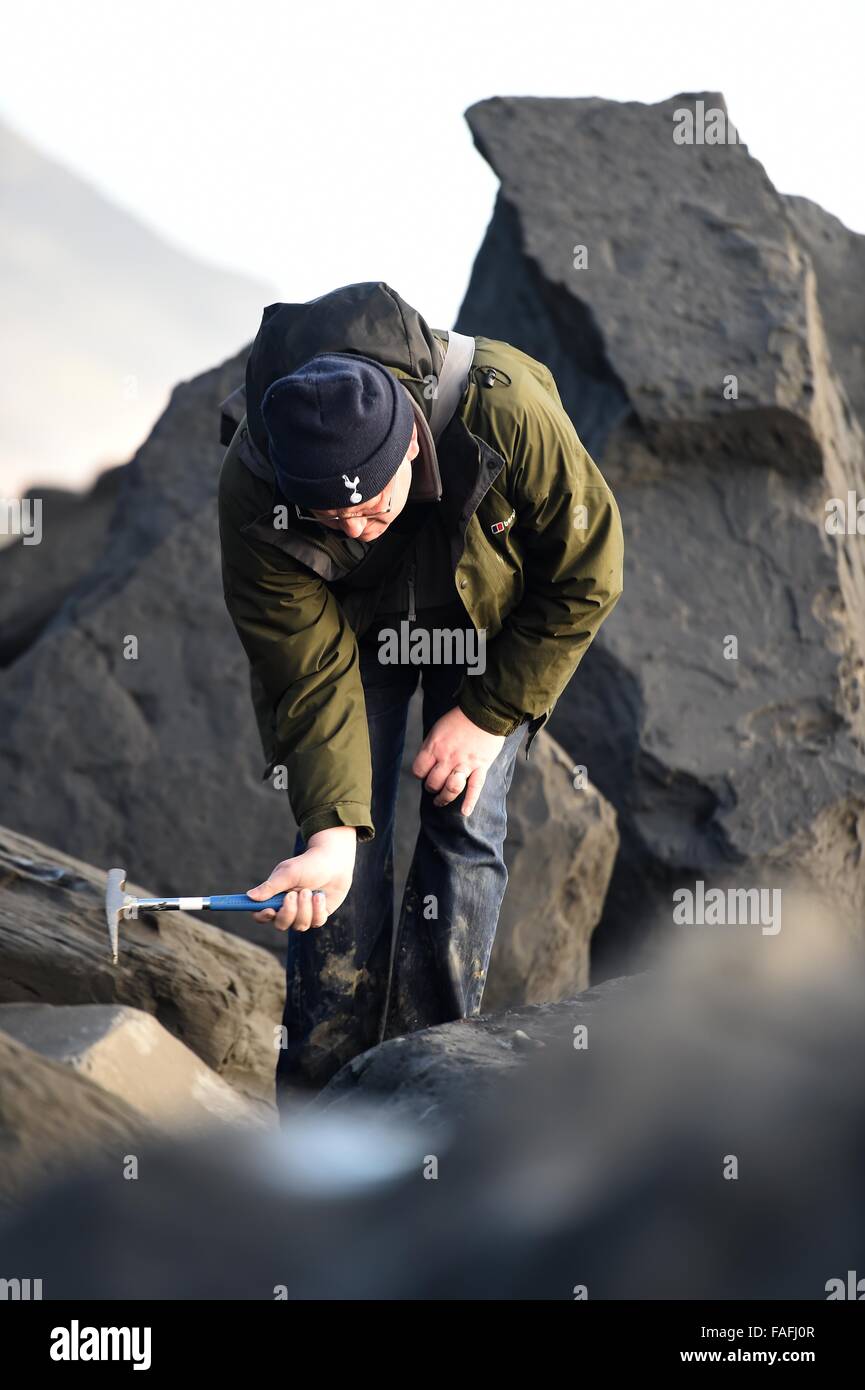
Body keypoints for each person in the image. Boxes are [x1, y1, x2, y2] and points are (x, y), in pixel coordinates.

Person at [217, 280, 623, 1097]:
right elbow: (302, 667)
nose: (355, 528)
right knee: (340, 852)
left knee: (464, 824)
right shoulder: (257, 484)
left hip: (481, 625)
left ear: (407, 446)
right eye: (330, 521)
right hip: (350, 638)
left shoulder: (508, 412)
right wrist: (331, 828)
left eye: (369, 509)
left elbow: (586, 572)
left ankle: (426, 1078)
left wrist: (488, 714)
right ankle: (322, 1096)